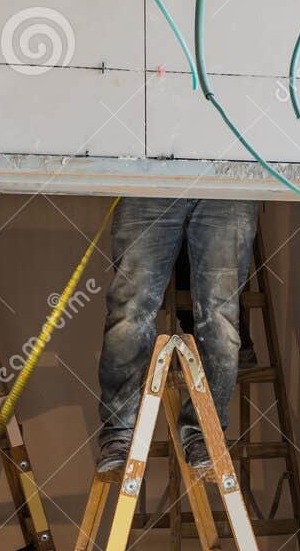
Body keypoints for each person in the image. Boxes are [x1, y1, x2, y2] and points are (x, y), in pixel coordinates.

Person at [96, 197, 259, 474]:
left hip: (226, 185)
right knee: (129, 311)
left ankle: (204, 430)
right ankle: (119, 430)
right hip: (152, 179)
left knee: (220, 321)